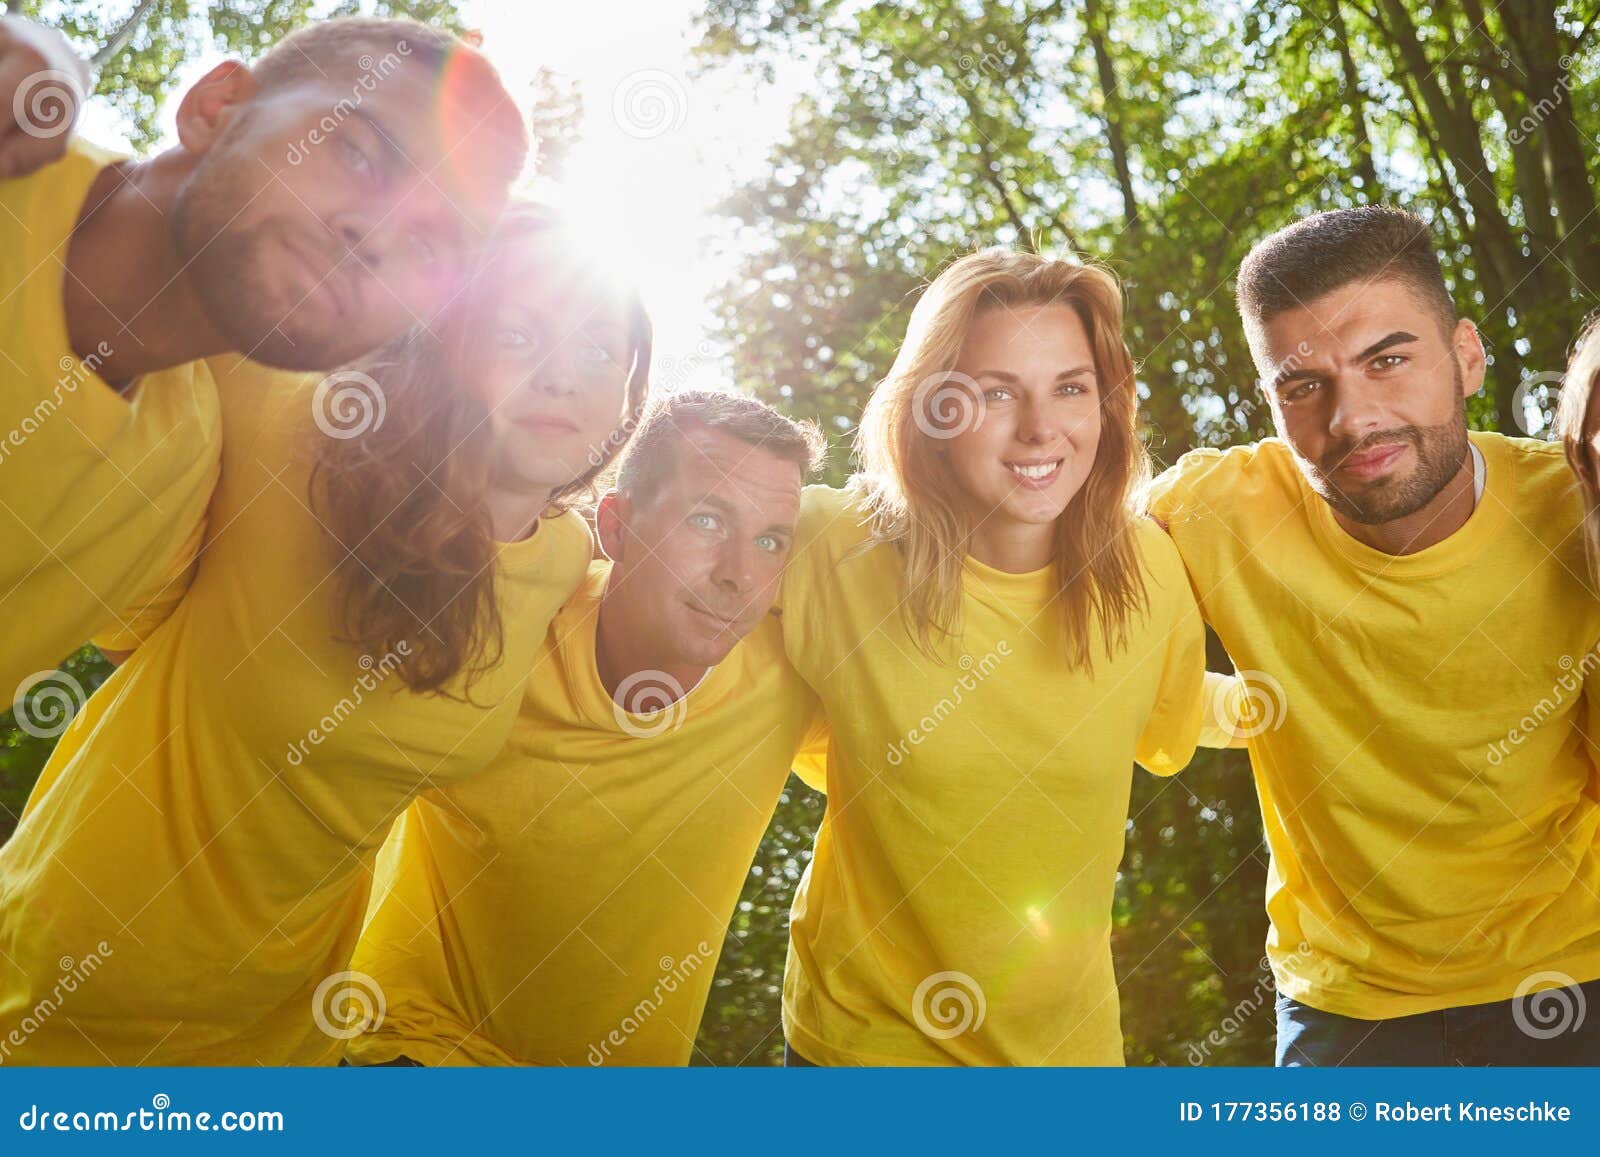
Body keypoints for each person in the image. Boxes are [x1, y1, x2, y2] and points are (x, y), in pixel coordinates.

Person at [0, 207, 652, 1065]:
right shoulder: (297, 423)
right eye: (517, 332)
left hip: (285, 1040)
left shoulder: (564, 561)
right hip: (60, 998)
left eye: (601, 350)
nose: (564, 376)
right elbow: (170, 261)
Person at [1150, 206, 1600, 1066]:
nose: (1353, 419)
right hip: (1345, 1009)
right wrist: (1243, 708)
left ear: (1467, 357)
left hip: (1576, 973)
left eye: (1387, 360)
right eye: (1302, 384)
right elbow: (1047, 599)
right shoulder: (1210, 511)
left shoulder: (1576, 506)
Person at [0, 15, 523, 703]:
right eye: (360, 153)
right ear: (218, 108)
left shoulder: (174, 491)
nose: (376, 238)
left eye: (430, 249)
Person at [777, 248, 1212, 1066]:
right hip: (861, 1056)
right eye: (997, 392)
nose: (1041, 429)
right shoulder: (827, 547)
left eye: (1071, 387)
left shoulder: (1152, 573)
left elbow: (1176, 722)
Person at [344, 391, 829, 1066]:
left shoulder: (792, 670)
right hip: (410, 1047)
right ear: (617, 527)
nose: (737, 576)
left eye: (770, 539)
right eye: (707, 519)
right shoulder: (507, 621)